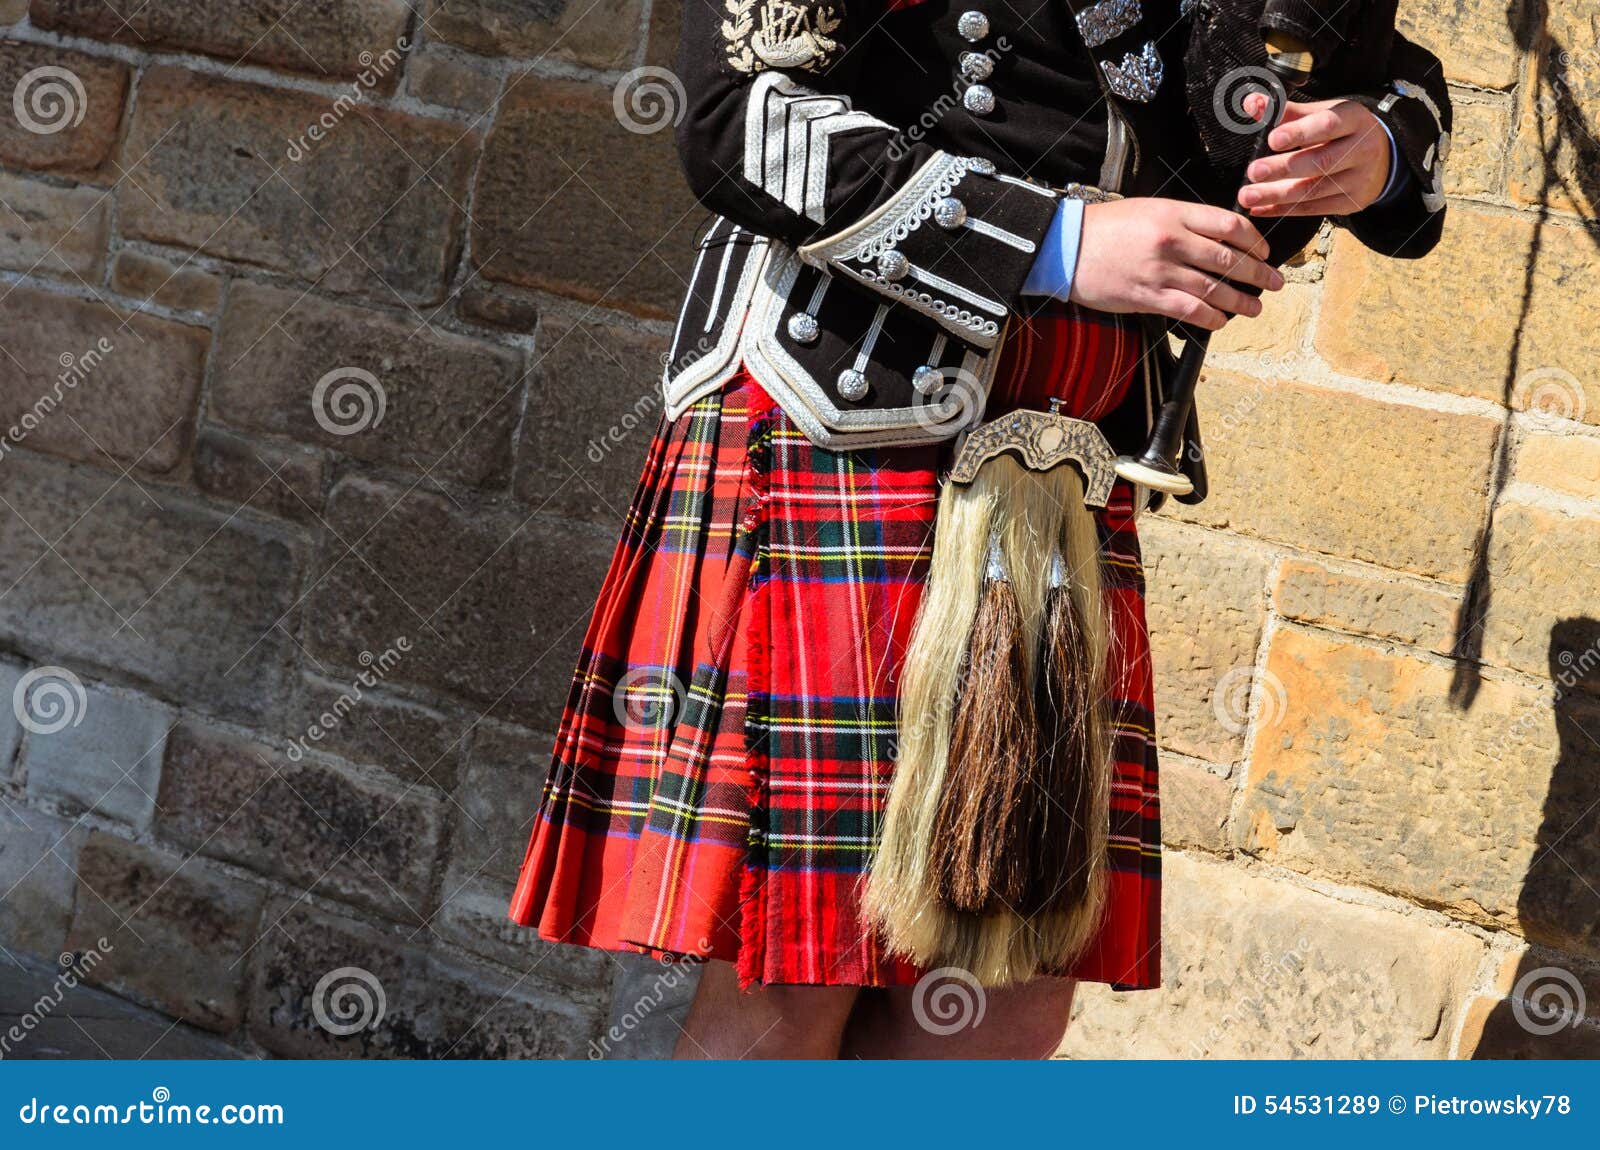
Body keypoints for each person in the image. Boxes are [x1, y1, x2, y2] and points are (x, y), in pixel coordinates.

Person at [508, 0, 1451, 1059]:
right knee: (795, 979)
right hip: (843, 420)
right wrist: (1053, 242)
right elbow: (740, 117)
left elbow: (1368, 65)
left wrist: (1376, 147)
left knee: (1006, 999)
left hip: (1060, 468)